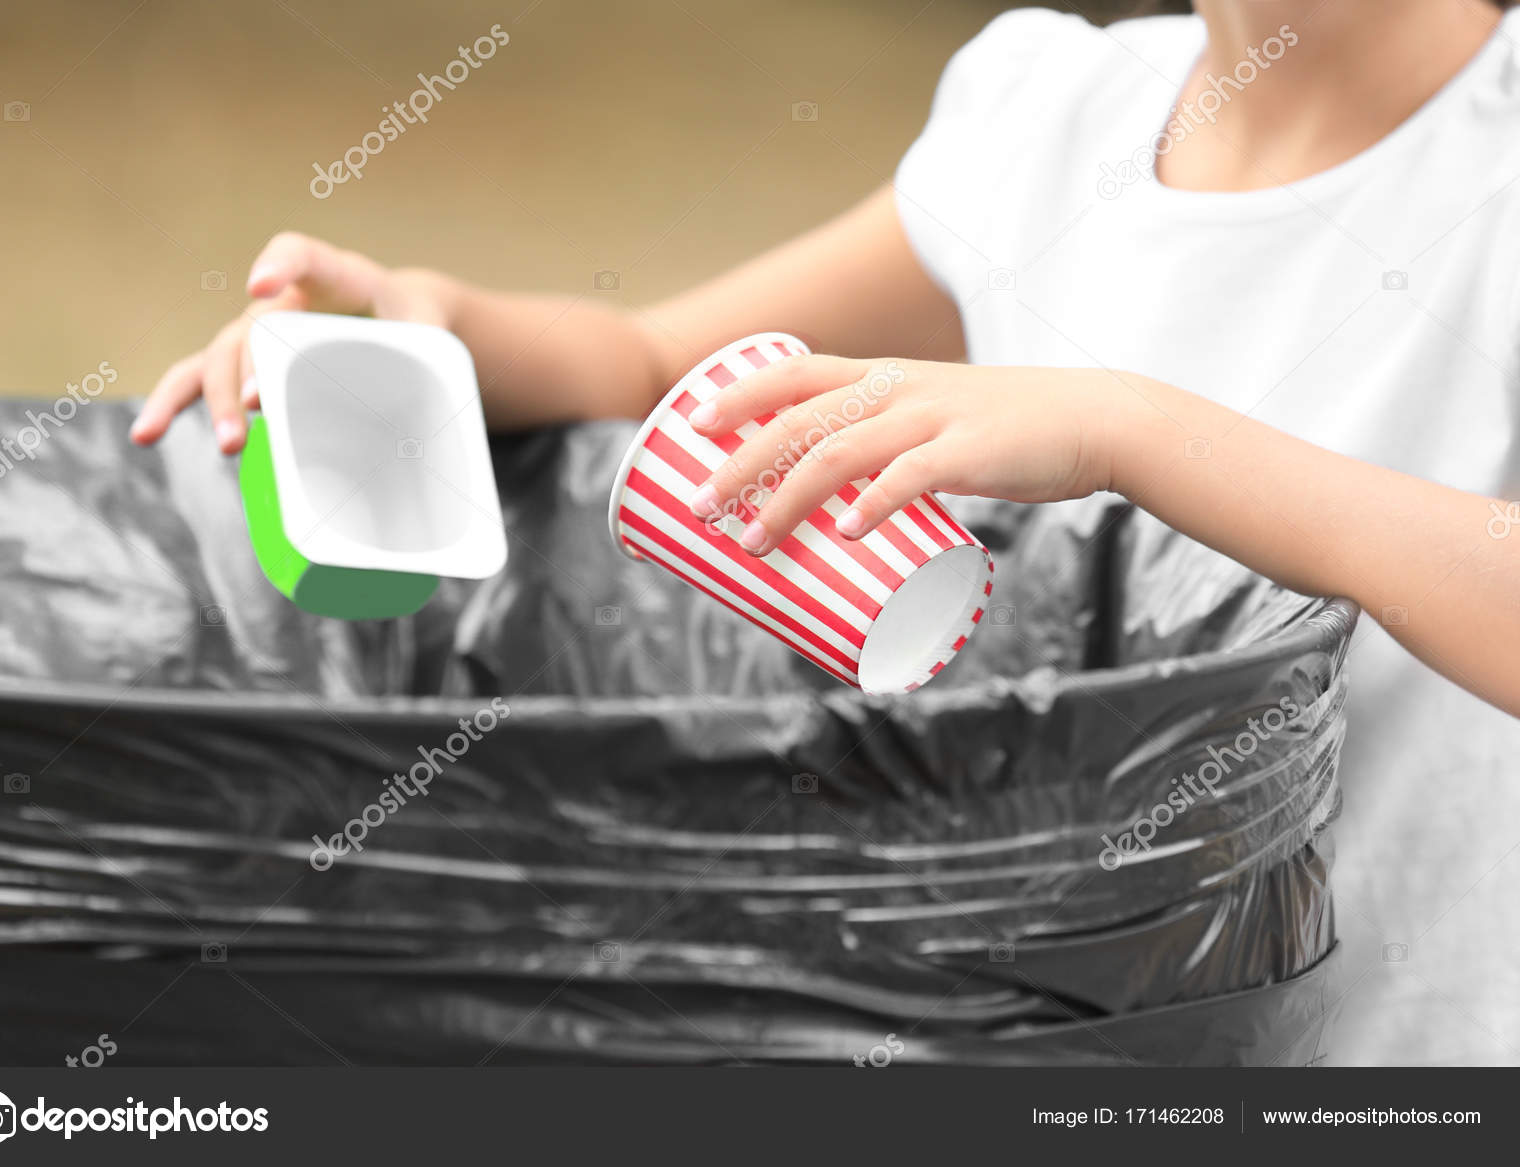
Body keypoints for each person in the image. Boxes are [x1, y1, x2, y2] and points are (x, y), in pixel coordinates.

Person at [134, 0, 1520, 1064]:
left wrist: (1126, 428)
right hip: (1082, 1044)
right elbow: (649, 368)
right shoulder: (1054, 120)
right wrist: (425, 330)